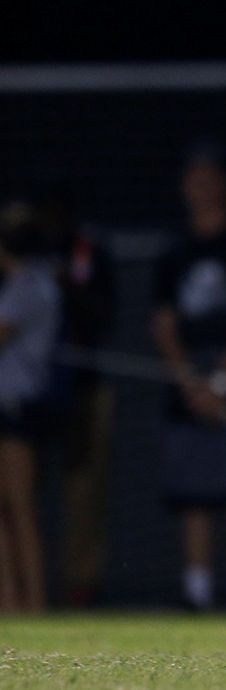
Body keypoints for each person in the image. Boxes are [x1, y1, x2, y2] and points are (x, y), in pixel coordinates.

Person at [150, 142, 226, 612]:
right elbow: (162, 322)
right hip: (189, 376)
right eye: (193, 177)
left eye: (209, 176)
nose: (200, 186)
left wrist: (225, 377)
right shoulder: (172, 248)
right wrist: (190, 382)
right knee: (191, 490)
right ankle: (196, 593)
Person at [32, 186, 118, 608]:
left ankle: (81, 588)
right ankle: (23, 592)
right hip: (22, 391)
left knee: (83, 493)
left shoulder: (89, 251)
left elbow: (105, 316)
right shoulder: (21, 258)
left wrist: (66, 285)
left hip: (82, 388)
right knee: (17, 493)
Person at [0, 201, 62, 611]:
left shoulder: (28, 286)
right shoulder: (32, 282)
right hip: (11, 404)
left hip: (16, 406)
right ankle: (9, 600)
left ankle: (34, 603)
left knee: (19, 508)